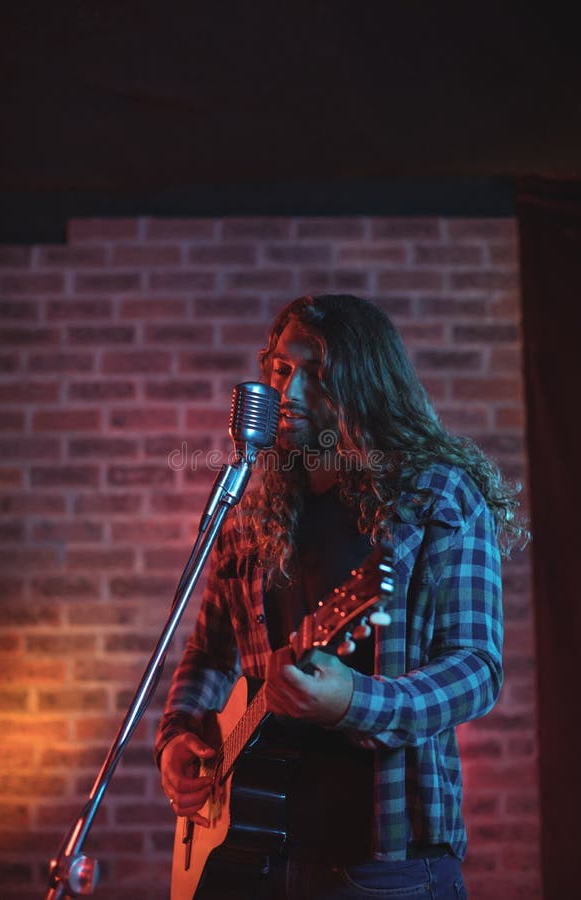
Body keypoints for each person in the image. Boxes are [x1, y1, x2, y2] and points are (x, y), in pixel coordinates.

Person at [155, 294, 526, 899]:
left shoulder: (437, 497)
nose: (289, 394)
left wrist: (355, 701)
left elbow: (477, 668)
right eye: (280, 370)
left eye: (317, 377)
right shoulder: (250, 512)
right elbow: (208, 650)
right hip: (250, 853)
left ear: (365, 386)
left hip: (385, 857)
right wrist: (176, 738)